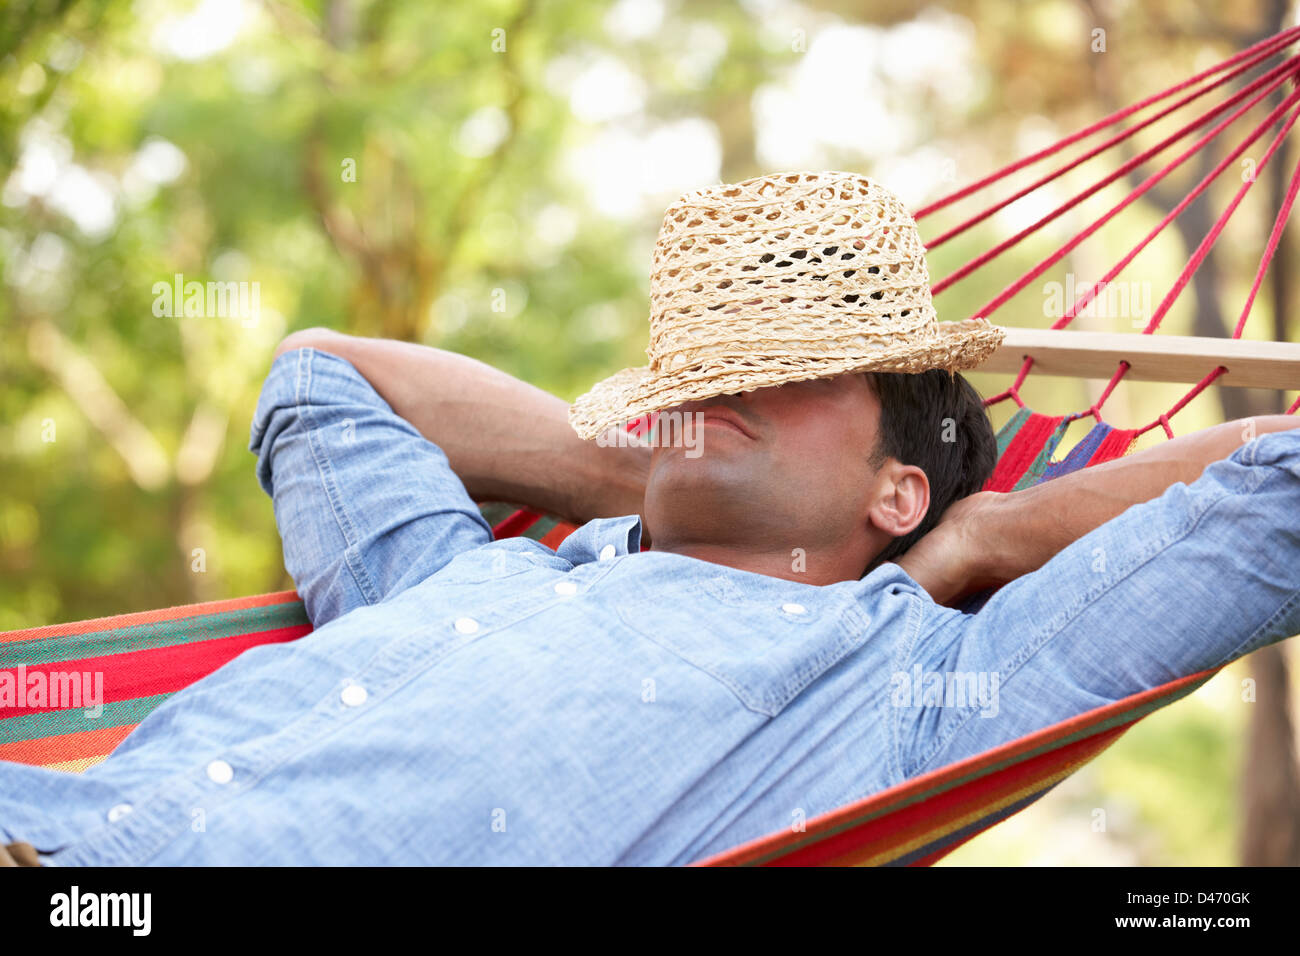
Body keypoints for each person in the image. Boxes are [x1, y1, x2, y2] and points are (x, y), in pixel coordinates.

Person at [2, 171, 1297, 866]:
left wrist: (991, 539)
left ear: (897, 490)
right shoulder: (454, 578)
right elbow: (322, 376)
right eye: (707, 366)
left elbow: (1280, 482)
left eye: (792, 366)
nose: (727, 380)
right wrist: (645, 471)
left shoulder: (913, 691)